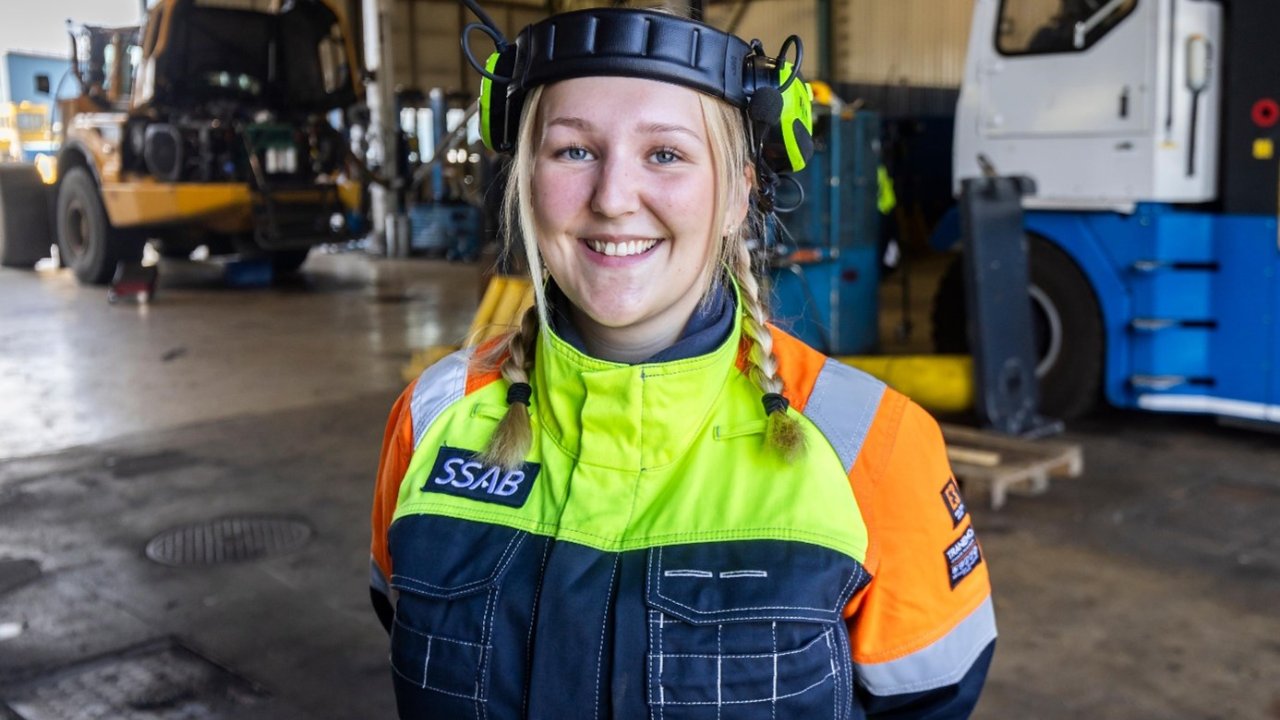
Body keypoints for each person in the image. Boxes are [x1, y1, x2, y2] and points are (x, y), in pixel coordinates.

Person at [370, 5, 995, 718]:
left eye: (665, 154)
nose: (612, 200)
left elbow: (932, 699)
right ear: (526, 181)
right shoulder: (430, 422)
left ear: (737, 196)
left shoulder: (871, 450)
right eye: (574, 150)